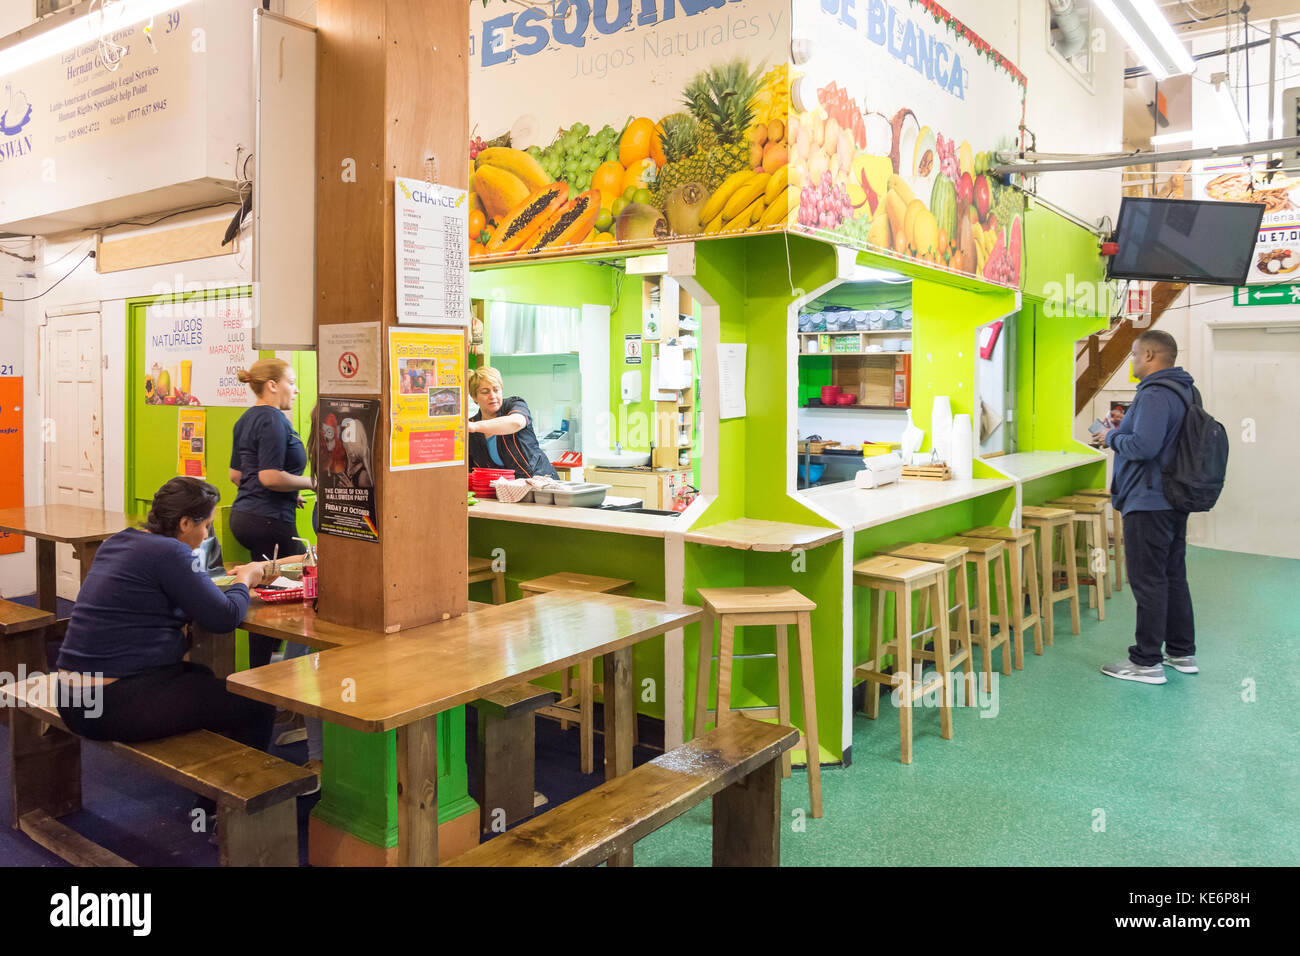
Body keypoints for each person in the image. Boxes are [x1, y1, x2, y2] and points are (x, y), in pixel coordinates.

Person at [55, 477, 276, 750]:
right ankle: (238, 789)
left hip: (70, 695)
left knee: (202, 677)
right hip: (106, 702)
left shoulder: (119, 541)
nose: (207, 536)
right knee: (259, 703)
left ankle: (213, 779)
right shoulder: (171, 552)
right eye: (206, 526)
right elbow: (224, 617)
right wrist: (246, 578)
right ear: (185, 523)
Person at [1093, 330, 1198, 685]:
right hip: (1172, 498)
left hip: (1148, 500)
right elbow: (1159, 438)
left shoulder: (1153, 393)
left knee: (1148, 580)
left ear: (1151, 355)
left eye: (1136, 355)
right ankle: (1182, 652)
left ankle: (1146, 661)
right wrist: (1126, 428)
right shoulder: (1184, 389)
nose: (1133, 361)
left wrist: (1111, 437)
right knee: (1172, 575)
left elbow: (1143, 447)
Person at [228, 357, 313, 668]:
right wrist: (314, 483)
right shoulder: (274, 420)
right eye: (291, 382)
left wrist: (290, 492)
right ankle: (269, 676)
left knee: (266, 591)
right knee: (304, 577)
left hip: (244, 516)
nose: (297, 389)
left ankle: (264, 668)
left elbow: (237, 475)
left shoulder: (246, 419)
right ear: (273, 385)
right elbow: (269, 476)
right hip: (268, 520)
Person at [466, 366, 560, 478]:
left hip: (541, 482)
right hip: (503, 490)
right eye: (485, 392)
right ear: (474, 397)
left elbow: (517, 423)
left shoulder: (514, 404)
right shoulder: (471, 427)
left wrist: (475, 427)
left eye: (496, 390)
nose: (492, 396)